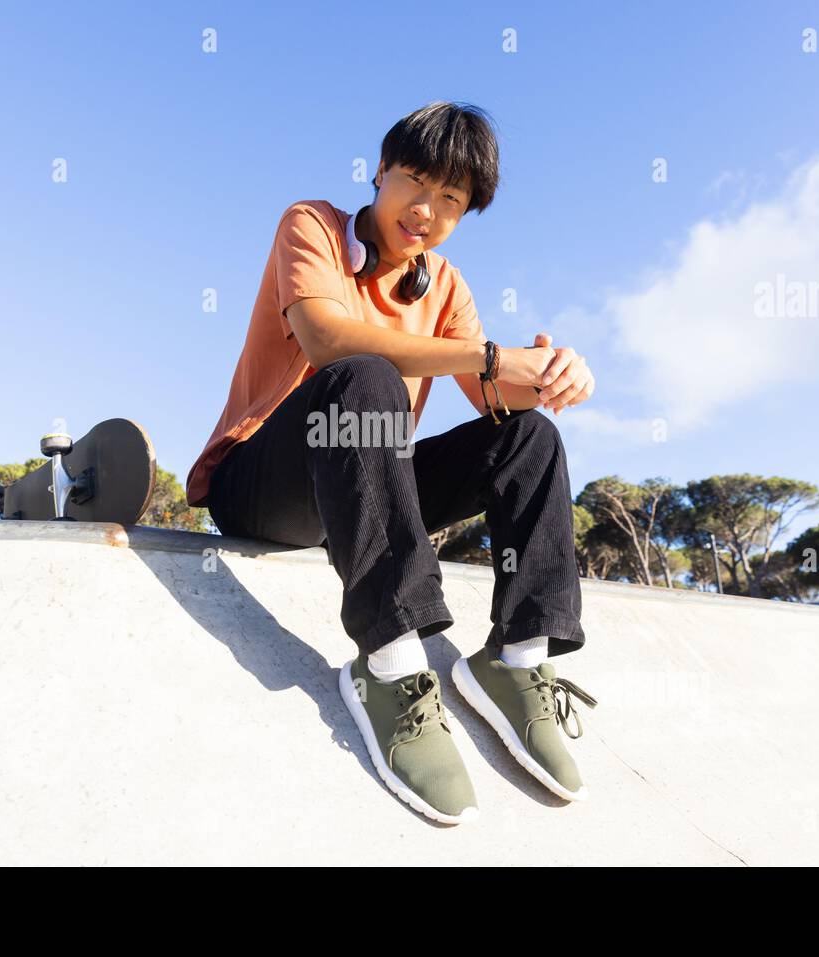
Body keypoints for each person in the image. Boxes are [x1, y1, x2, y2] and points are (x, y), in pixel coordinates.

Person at [185, 101, 598, 824]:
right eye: (415, 182)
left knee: (527, 436)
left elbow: (490, 391)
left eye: (451, 201)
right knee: (365, 372)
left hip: (363, 488)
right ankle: (392, 666)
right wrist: (495, 355)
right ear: (379, 172)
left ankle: (517, 658)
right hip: (260, 481)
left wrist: (556, 372)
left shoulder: (445, 286)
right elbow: (326, 340)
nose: (426, 211)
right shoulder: (310, 224)